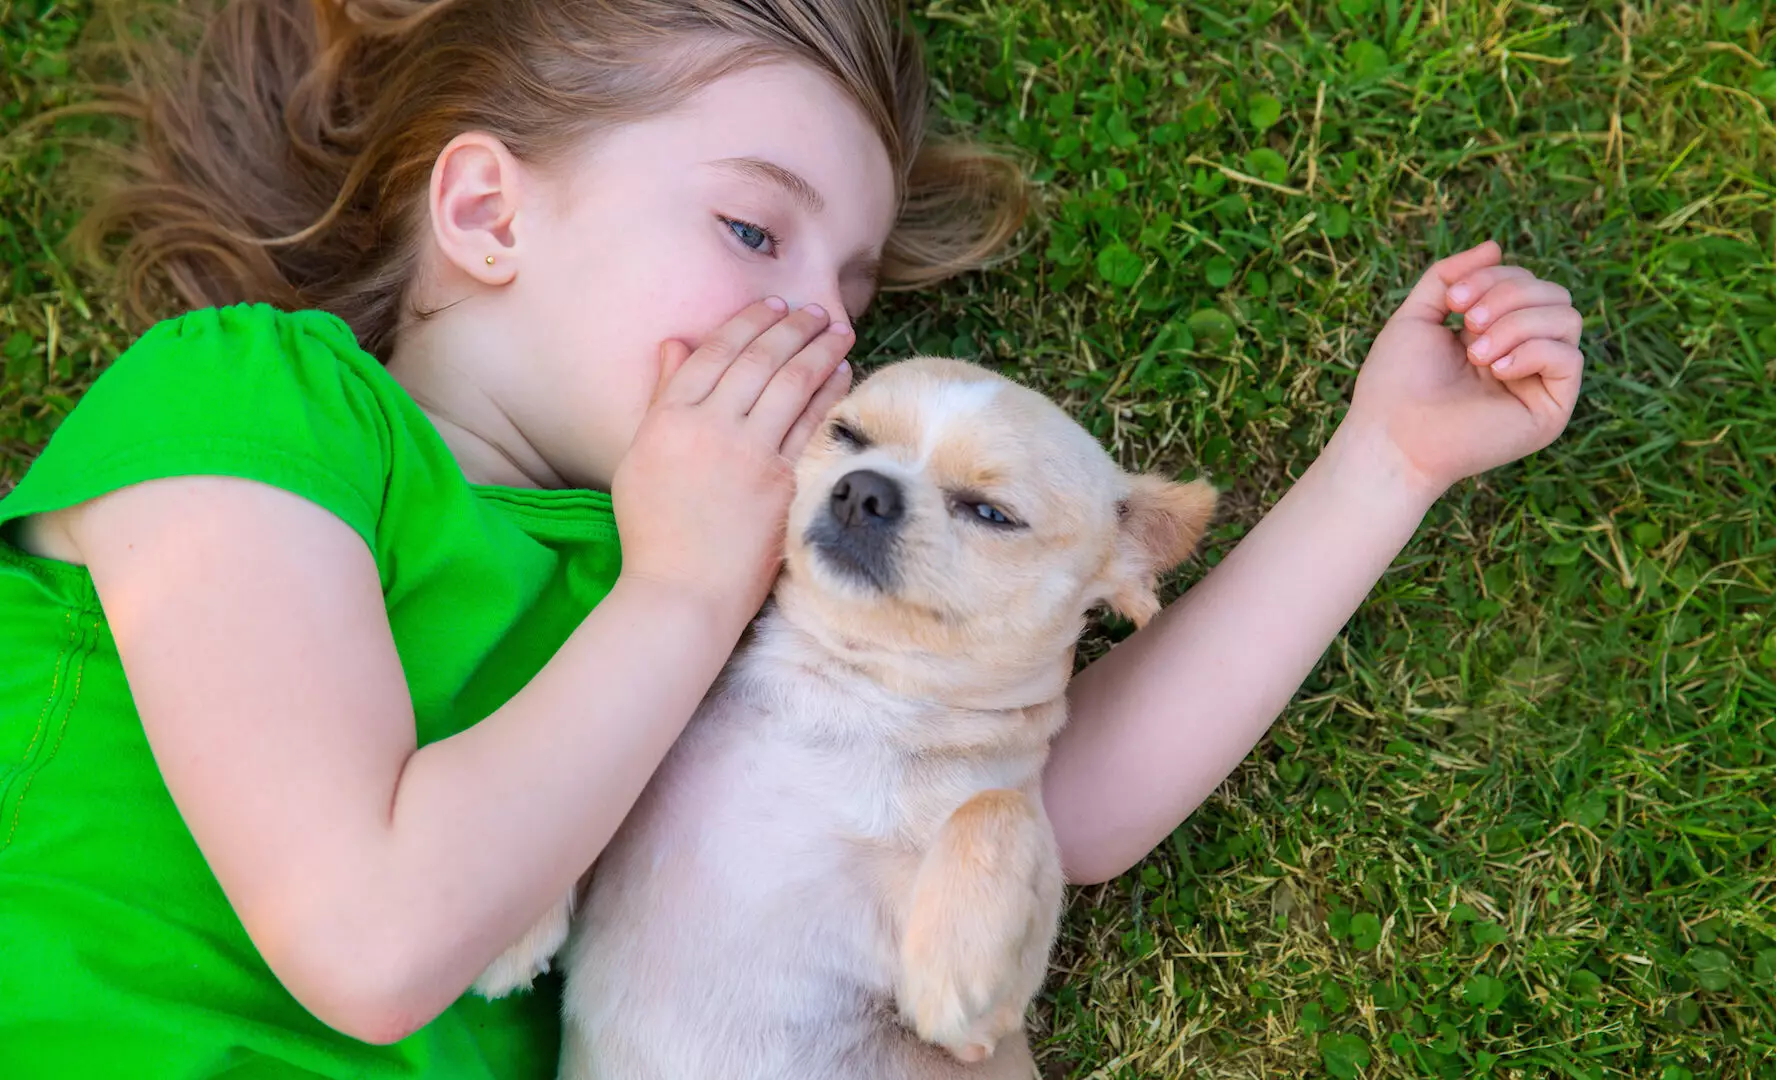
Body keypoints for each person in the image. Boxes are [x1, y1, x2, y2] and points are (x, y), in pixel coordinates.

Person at [0, 0, 1584, 1075]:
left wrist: (1386, 463)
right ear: (486, 215)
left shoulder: (706, 556)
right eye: (754, 230)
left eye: (853, 296)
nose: (819, 330)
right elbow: (374, 937)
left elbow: (1053, 796)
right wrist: (682, 587)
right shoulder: (251, 410)